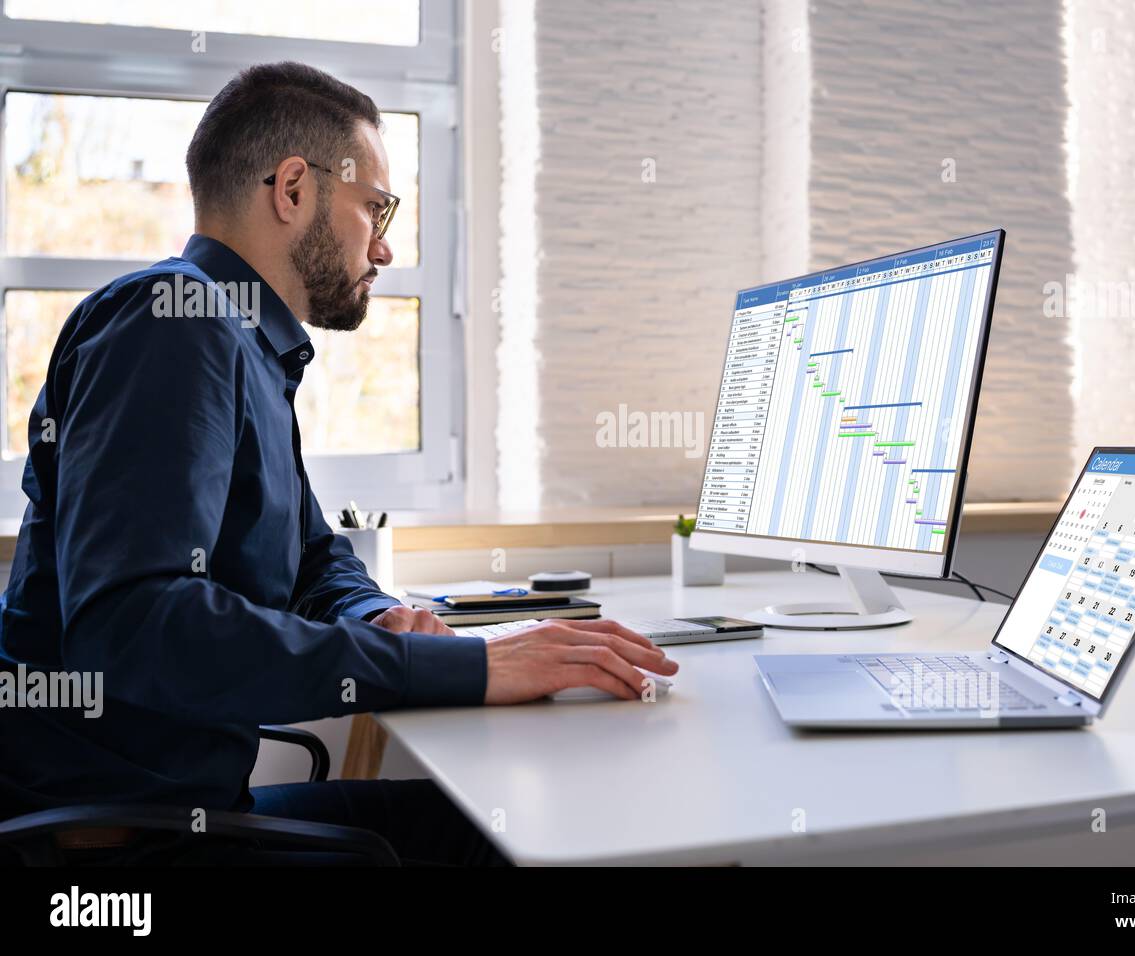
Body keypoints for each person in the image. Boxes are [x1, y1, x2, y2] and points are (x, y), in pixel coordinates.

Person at [0, 61, 677, 866]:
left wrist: (377, 617)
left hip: (176, 810)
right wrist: (456, 666)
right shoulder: (174, 325)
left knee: (505, 814)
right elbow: (133, 628)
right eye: (375, 208)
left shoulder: (241, 340)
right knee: (524, 832)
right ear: (292, 189)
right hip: (114, 847)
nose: (384, 245)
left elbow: (315, 557)